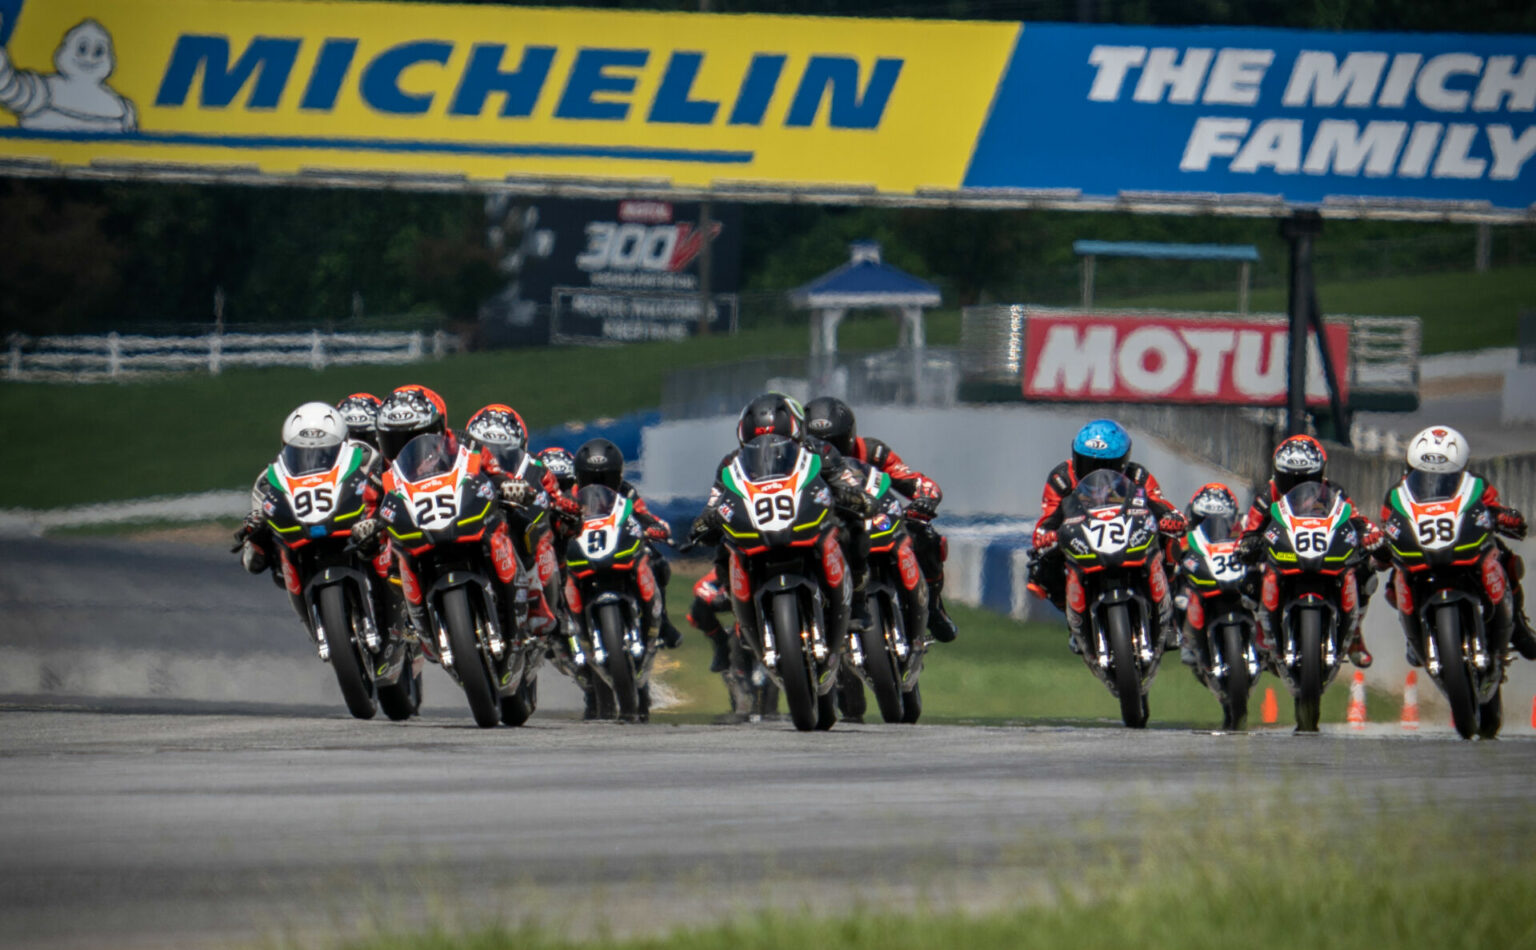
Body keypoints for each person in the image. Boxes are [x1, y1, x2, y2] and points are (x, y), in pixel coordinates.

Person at [804, 396, 957, 643]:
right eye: (819, 443)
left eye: (835, 442)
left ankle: (933, 608)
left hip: (875, 517)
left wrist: (926, 497)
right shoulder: (799, 461)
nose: (828, 451)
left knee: (926, 536)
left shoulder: (872, 451)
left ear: (850, 437)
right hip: (830, 529)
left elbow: (909, 478)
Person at [1026, 419, 1186, 653]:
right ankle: (1074, 621)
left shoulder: (1138, 475)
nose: (1096, 472)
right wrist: (1045, 536)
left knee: (1170, 540)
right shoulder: (1061, 478)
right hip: (1083, 536)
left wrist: (1171, 517)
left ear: (1122, 463)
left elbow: (1157, 503)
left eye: (1105, 466)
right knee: (1043, 563)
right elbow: (1049, 516)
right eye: (1088, 464)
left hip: (1127, 533)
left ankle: (1168, 615)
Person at [1380, 426, 1536, 664]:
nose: (1434, 482)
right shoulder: (1397, 493)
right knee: (1393, 580)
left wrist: (1504, 516)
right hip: (1420, 553)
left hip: (1465, 545)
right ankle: (1413, 633)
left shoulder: (1476, 485)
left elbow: (1493, 508)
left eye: (1445, 475)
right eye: (1424, 474)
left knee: (1505, 557)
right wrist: (1381, 542)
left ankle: (1517, 623)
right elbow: (1387, 523)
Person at [233, 402, 392, 631]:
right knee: (271, 554)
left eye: (326, 452)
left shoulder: (366, 457)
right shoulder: (268, 481)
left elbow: (388, 495)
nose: (313, 461)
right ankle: (312, 619)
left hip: (353, 534)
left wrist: (376, 519)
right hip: (301, 545)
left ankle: (399, 605)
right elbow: (251, 562)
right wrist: (256, 533)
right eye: (301, 452)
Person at [1234, 434, 1381, 668]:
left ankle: (1354, 633)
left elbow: (1355, 518)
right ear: (1278, 475)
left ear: (1319, 476)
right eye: (1289, 480)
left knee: (1364, 570)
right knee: (1249, 577)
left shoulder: (1334, 492)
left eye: (1305, 480)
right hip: (1286, 555)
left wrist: (1368, 533)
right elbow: (1249, 531)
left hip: (1324, 553)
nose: (1297, 487)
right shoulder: (1267, 495)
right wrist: (1247, 545)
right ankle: (1263, 625)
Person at [570, 437, 682, 649]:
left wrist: (655, 526)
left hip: (617, 543)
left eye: (607, 478)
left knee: (656, 561)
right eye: (591, 478)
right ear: (579, 477)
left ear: (619, 476)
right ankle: (567, 628)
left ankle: (662, 621)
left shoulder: (627, 491)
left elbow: (642, 513)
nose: (599, 485)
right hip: (583, 548)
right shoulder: (570, 496)